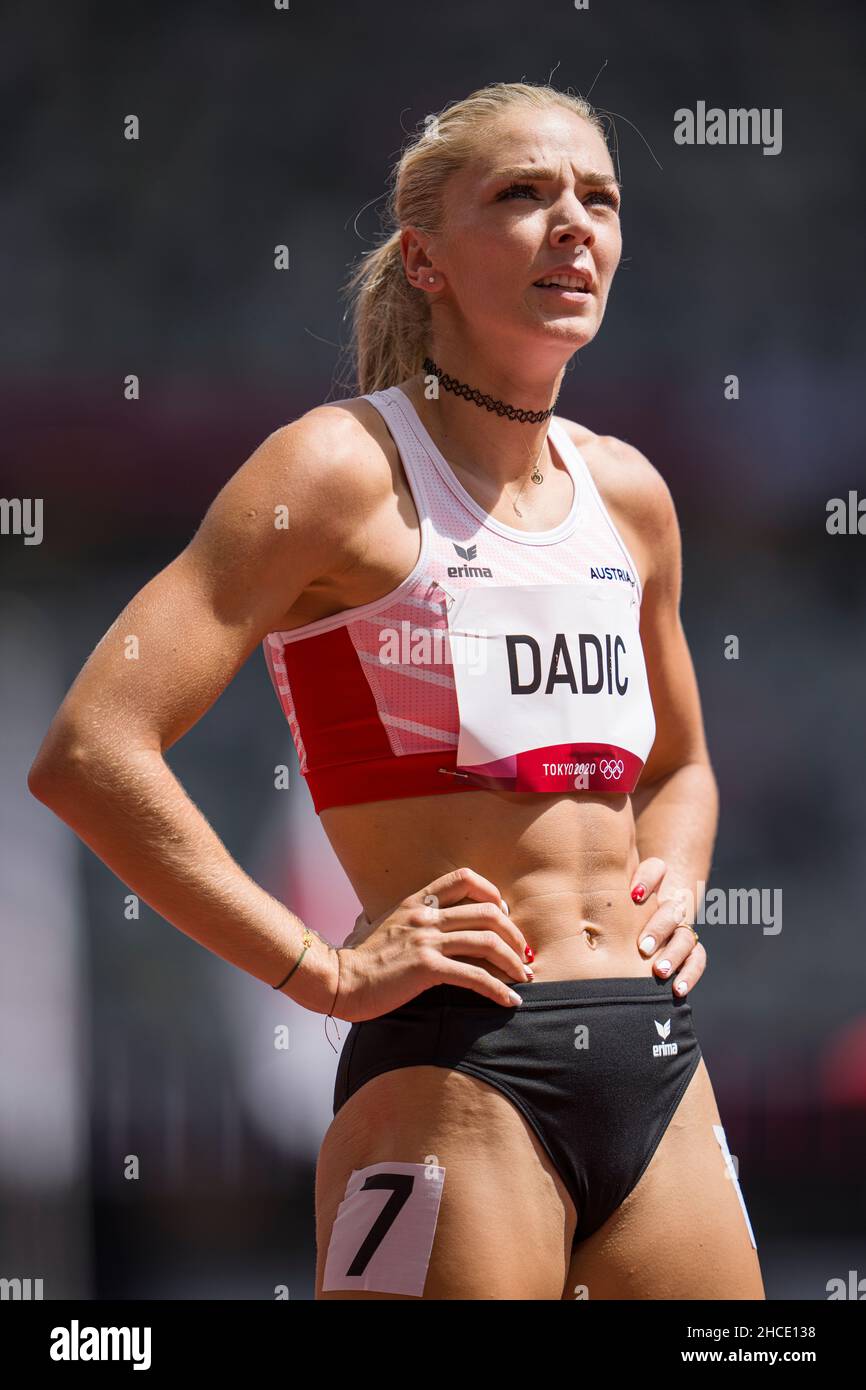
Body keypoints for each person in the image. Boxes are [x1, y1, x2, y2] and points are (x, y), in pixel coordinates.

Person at [28, 80, 765, 1300]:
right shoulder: (332, 471)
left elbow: (679, 765)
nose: (572, 223)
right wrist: (319, 972)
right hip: (455, 1067)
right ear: (421, 258)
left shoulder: (628, 493)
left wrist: (676, 874)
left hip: (657, 1060)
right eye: (521, 195)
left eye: (598, 197)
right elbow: (92, 750)